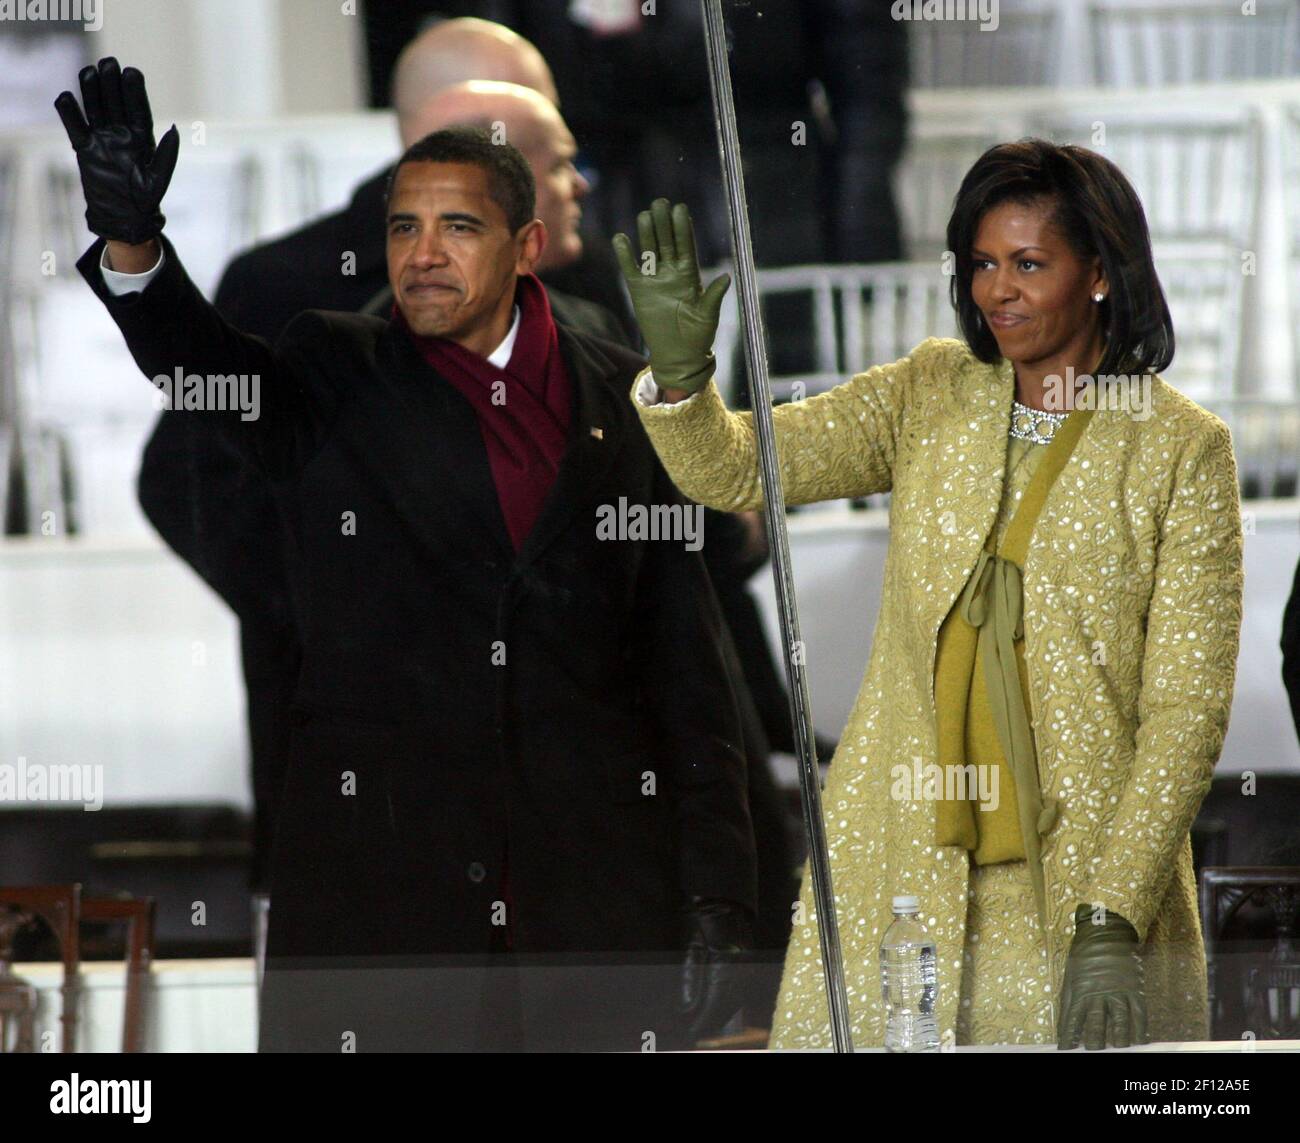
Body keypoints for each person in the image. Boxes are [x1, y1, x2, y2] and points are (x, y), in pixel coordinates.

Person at [57, 57, 758, 1051]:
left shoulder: (628, 394)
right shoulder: (332, 370)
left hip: (592, 913)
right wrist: (134, 241)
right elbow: (199, 363)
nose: (422, 255)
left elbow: (693, 675)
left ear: (526, 247)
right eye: (403, 228)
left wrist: (721, 906)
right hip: (386, 914)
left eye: (457, 228)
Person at [614, 139, 1245, 1050]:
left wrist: (1113, 911)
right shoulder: (929, 392)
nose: (1000, 291)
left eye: (1030, 264)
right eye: (983, 264)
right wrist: (681, 379)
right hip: (898, 867)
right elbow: (736, 466)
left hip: (1084, 890)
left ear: (1102, 272)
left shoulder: (1181, 447)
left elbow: (1186, 711)